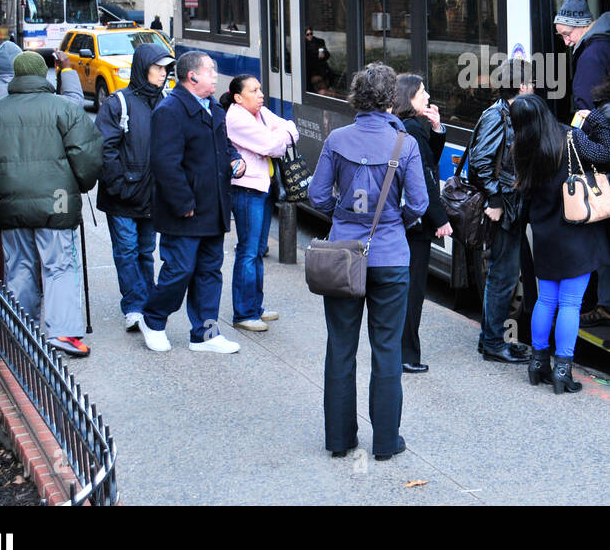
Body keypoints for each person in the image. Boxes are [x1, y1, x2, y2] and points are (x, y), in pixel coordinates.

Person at [309, 62, 427, 461]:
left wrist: (344, 218)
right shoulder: (404, 143)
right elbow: (420, 203)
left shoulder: (337, 138)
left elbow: (318, 196)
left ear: (357, 96)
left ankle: (340, 440)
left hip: (343, 256)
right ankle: (386, 442)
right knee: (387, 350)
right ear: (392, 99)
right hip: (391, 257)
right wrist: (396, 222)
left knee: (340, 347)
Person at [0, 51, 103, 357]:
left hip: (10, 206)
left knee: (20, 267)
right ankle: (63, 333)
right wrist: (82, 184)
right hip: (56, 202)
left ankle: (20, 329)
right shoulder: (63, 109)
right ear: (43, 75)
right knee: (60, 266)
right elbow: (88, 154)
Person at [138, 52, 246, 354]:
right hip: (185, 210)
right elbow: (164, 163)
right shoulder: (169, 110)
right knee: (180, 270)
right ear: (192, 76)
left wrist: (236, 161)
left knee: (210, 271)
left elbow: (225, 147)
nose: (215, 75)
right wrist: (183, 202)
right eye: (209, 71)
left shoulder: (213, 108)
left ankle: (205, 334)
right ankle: (154, 320)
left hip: (214, 208)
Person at [0, 42, 85, 281]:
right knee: (40, 231)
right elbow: (74, 106)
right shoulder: (39, 95)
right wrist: (67, 70)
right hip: (42, 179)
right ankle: (36, 283)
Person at [510, 93, 610, 394]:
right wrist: (594, 119)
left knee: (546, 300)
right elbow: (607, 153)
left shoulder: (521, 148)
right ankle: (563, 369)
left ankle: (537, 362)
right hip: (574, 232)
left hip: (544, 235)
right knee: (570, 303)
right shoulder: (570, 138)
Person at [95, 44, 174, 332]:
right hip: (123, 196)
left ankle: (145, 300)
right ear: (144, 69)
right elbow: (106, 149)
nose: (163, 74)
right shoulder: (118, 103)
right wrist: (120, 185)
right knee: (126, 250)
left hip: (151, 196)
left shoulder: (166, 101)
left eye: (166, 69)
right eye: (158, 68)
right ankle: (135, 305)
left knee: (144, 251)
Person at [468, 57, 536, 364]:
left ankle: (490, 340)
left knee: (504, 274)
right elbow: (480, 162)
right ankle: (494, 343)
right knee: (502, 276)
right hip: (504, 208)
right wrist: (495, 202)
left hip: (511, 204)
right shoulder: (498, 116)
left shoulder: (509, 113)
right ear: (521, 87)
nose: (534, 88)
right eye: (531, 83)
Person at [222, 73, 298, 332]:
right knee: (248, 251)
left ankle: (256, 307)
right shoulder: (236, 117)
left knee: (257, 251)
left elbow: (292, 127)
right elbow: (273, 147)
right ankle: (243, 313)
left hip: (264, 188)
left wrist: (279, 135)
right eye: (254, 90)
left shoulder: (261, 113)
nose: (260, 94)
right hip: (246, 191)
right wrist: (277, 137)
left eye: (260, 89)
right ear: (238, 97)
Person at [395, 73, 453, 374]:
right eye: (421, 93)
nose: (428, 95)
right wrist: (441, 220)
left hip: (406, 221)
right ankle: (407, 355)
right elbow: (426, 181)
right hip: (415, 224)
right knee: (411, 289)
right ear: (409, 99)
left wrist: (437, 129)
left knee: (407, 288)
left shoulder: (412, 128)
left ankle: (403, 351)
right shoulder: (411, 131)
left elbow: (429, 163)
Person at [576, 71, 610, 328]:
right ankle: (609, 302)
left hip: (604, 194)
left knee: (604, 250)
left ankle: (609, 304)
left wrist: (576, 137)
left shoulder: (603, 113)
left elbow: (606, 155)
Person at [554, 0, 610, 114]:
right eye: (562, 37)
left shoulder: (590, 56)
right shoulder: (605, 44)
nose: (566, 42)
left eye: (567, 34)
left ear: (582, 25)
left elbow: (586, 107)